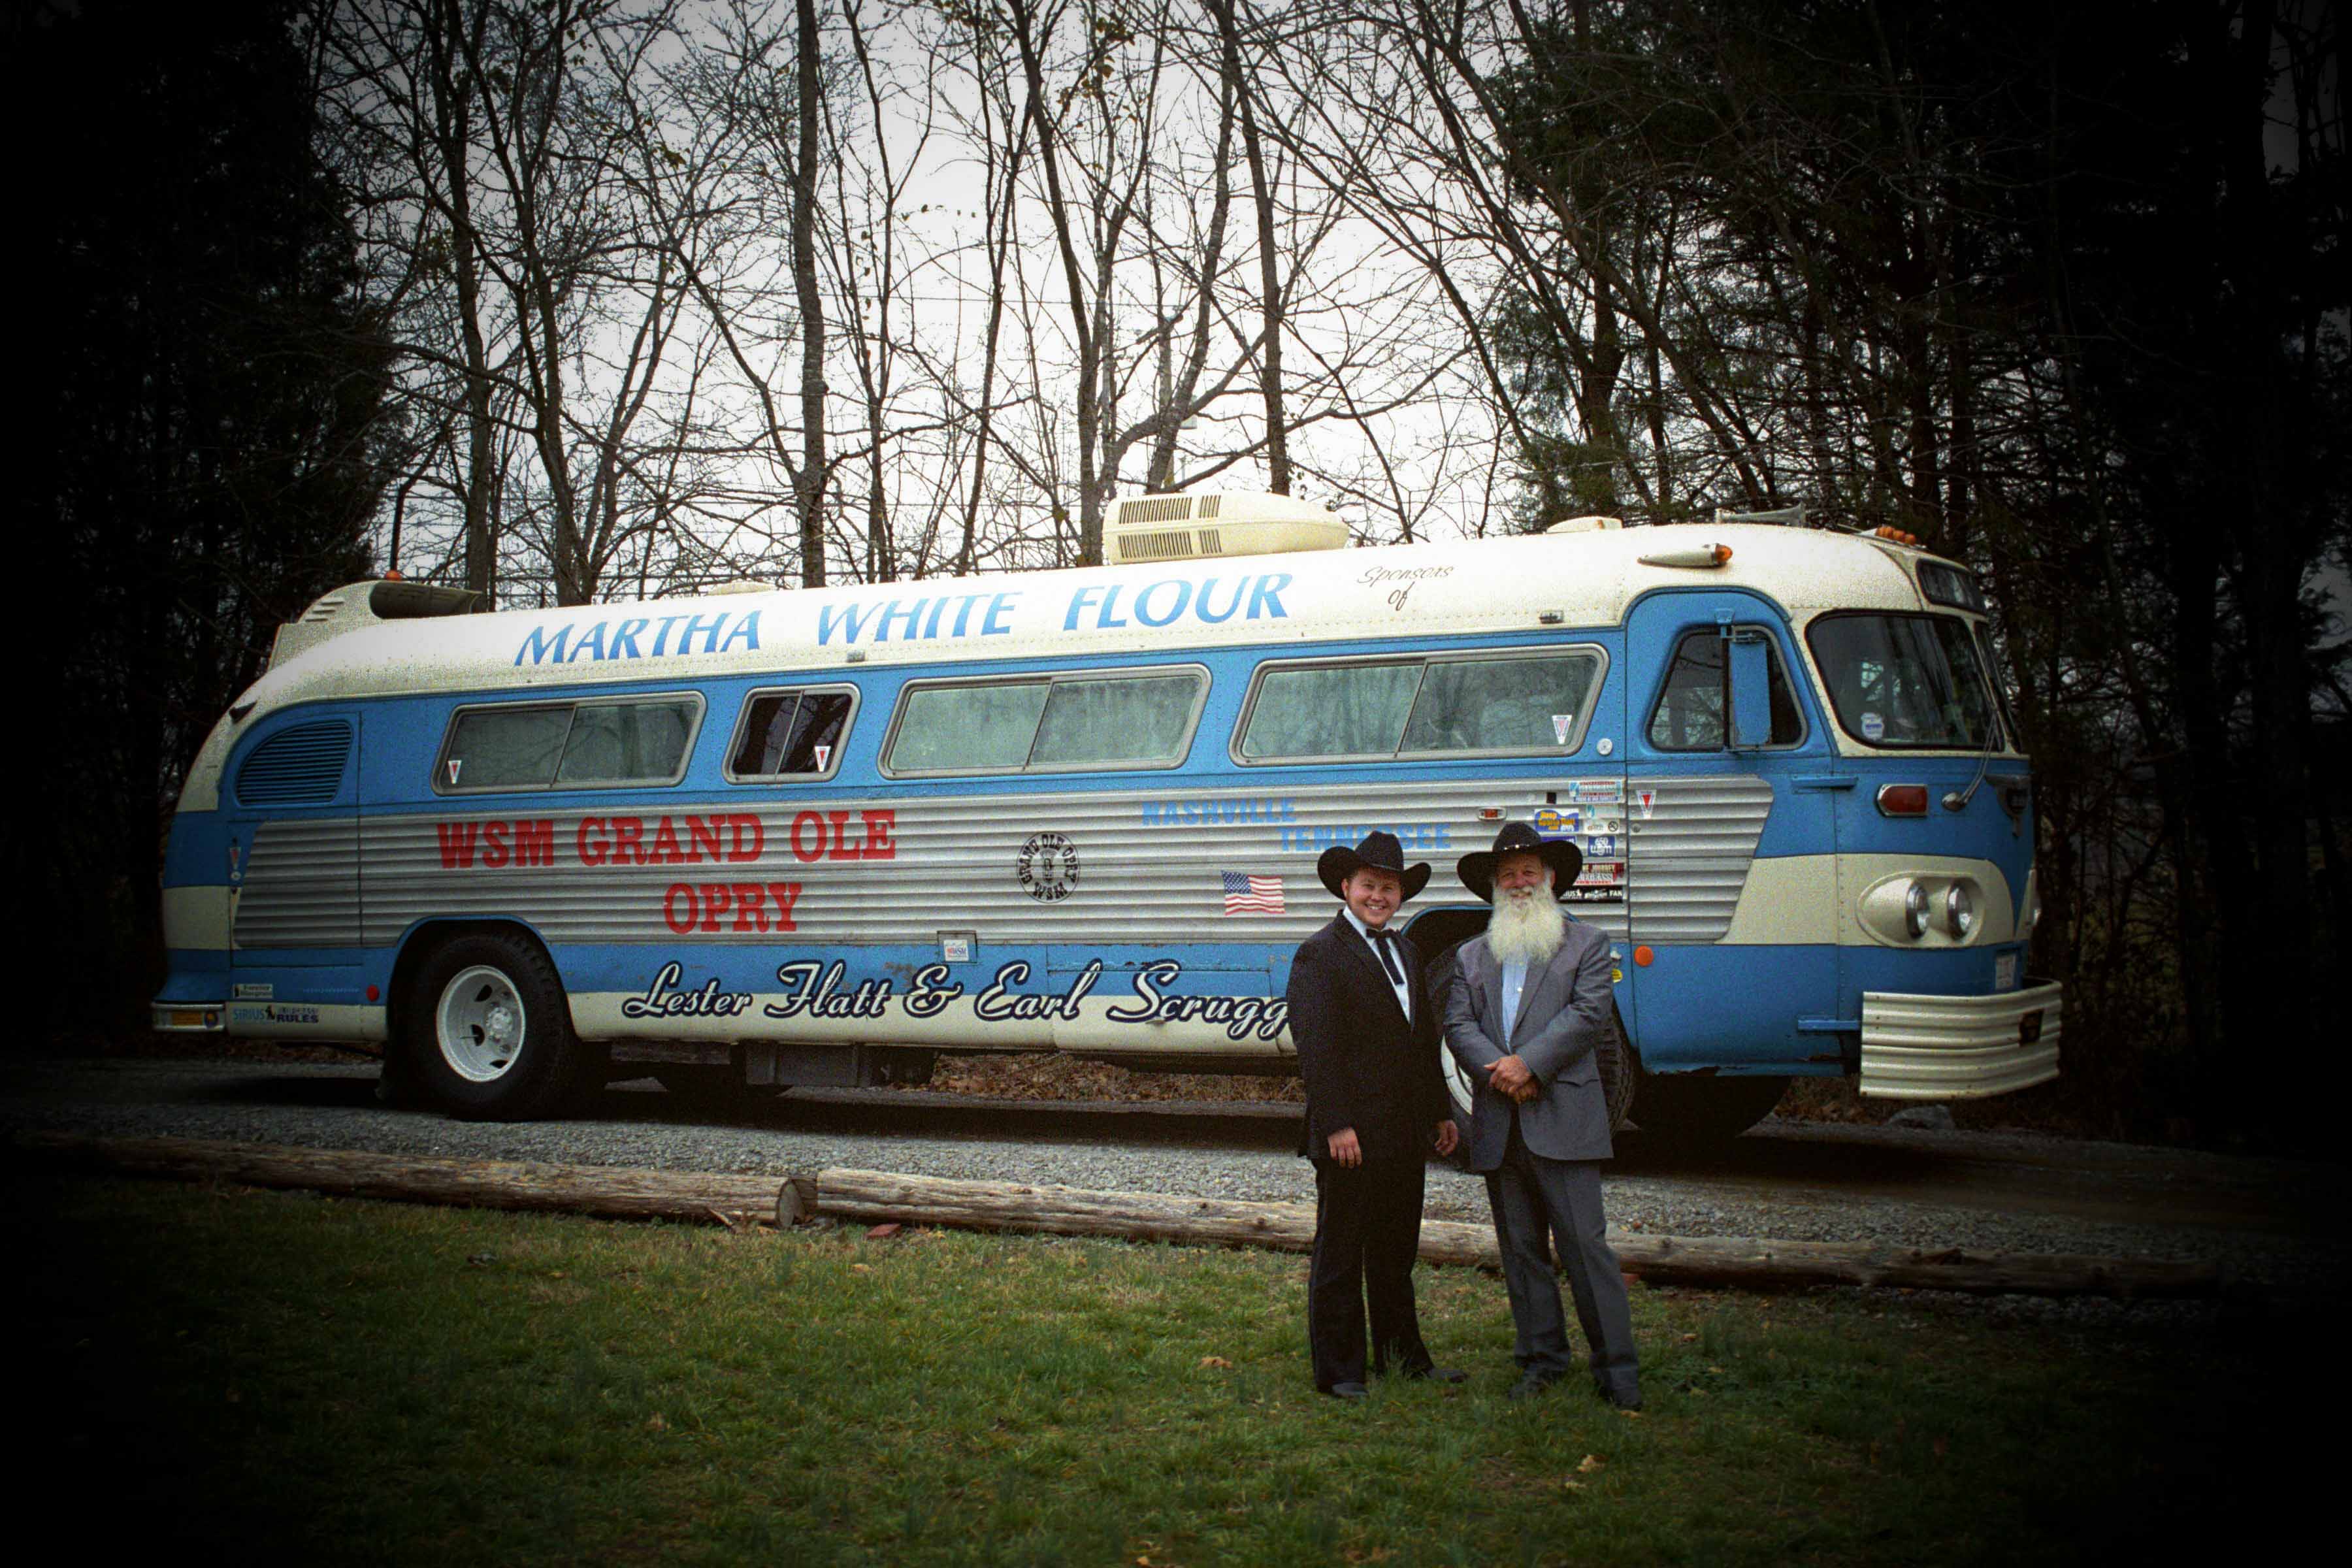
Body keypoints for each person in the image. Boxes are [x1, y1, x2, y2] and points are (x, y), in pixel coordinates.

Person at [1441, 821, 1642, 1409]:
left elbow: (1588, 1015)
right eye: (1507, 875)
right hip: (1501, 1126)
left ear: (1551, 879)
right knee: (1522, 1254)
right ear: (1494, 887)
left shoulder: (1589, 943)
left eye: (1529, 872)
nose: (1519, 882)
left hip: (1565, 1120)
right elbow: (1458, 1025)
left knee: (1586, 1250)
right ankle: (1540, 1361)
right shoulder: (1471, 954)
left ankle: (1618, 1371)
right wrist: (1500, 1072)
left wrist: (1529, 1065)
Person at [1285, 830, 1463, 1399]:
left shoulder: (1407, 952)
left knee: (1394, 1252)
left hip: (1403, 1131)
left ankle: (1402, 1356)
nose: (1378, 897)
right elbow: (1316, 1047)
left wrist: (1439, 1112)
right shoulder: (1320, 953)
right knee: (1341, 1252)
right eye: (1368, 885)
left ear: (1401, 895)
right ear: (1346, 887)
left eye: (1389, 888)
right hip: (1352, 1134)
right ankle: (1340, 1370)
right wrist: (1337, 1123)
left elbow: (1422, 1041)